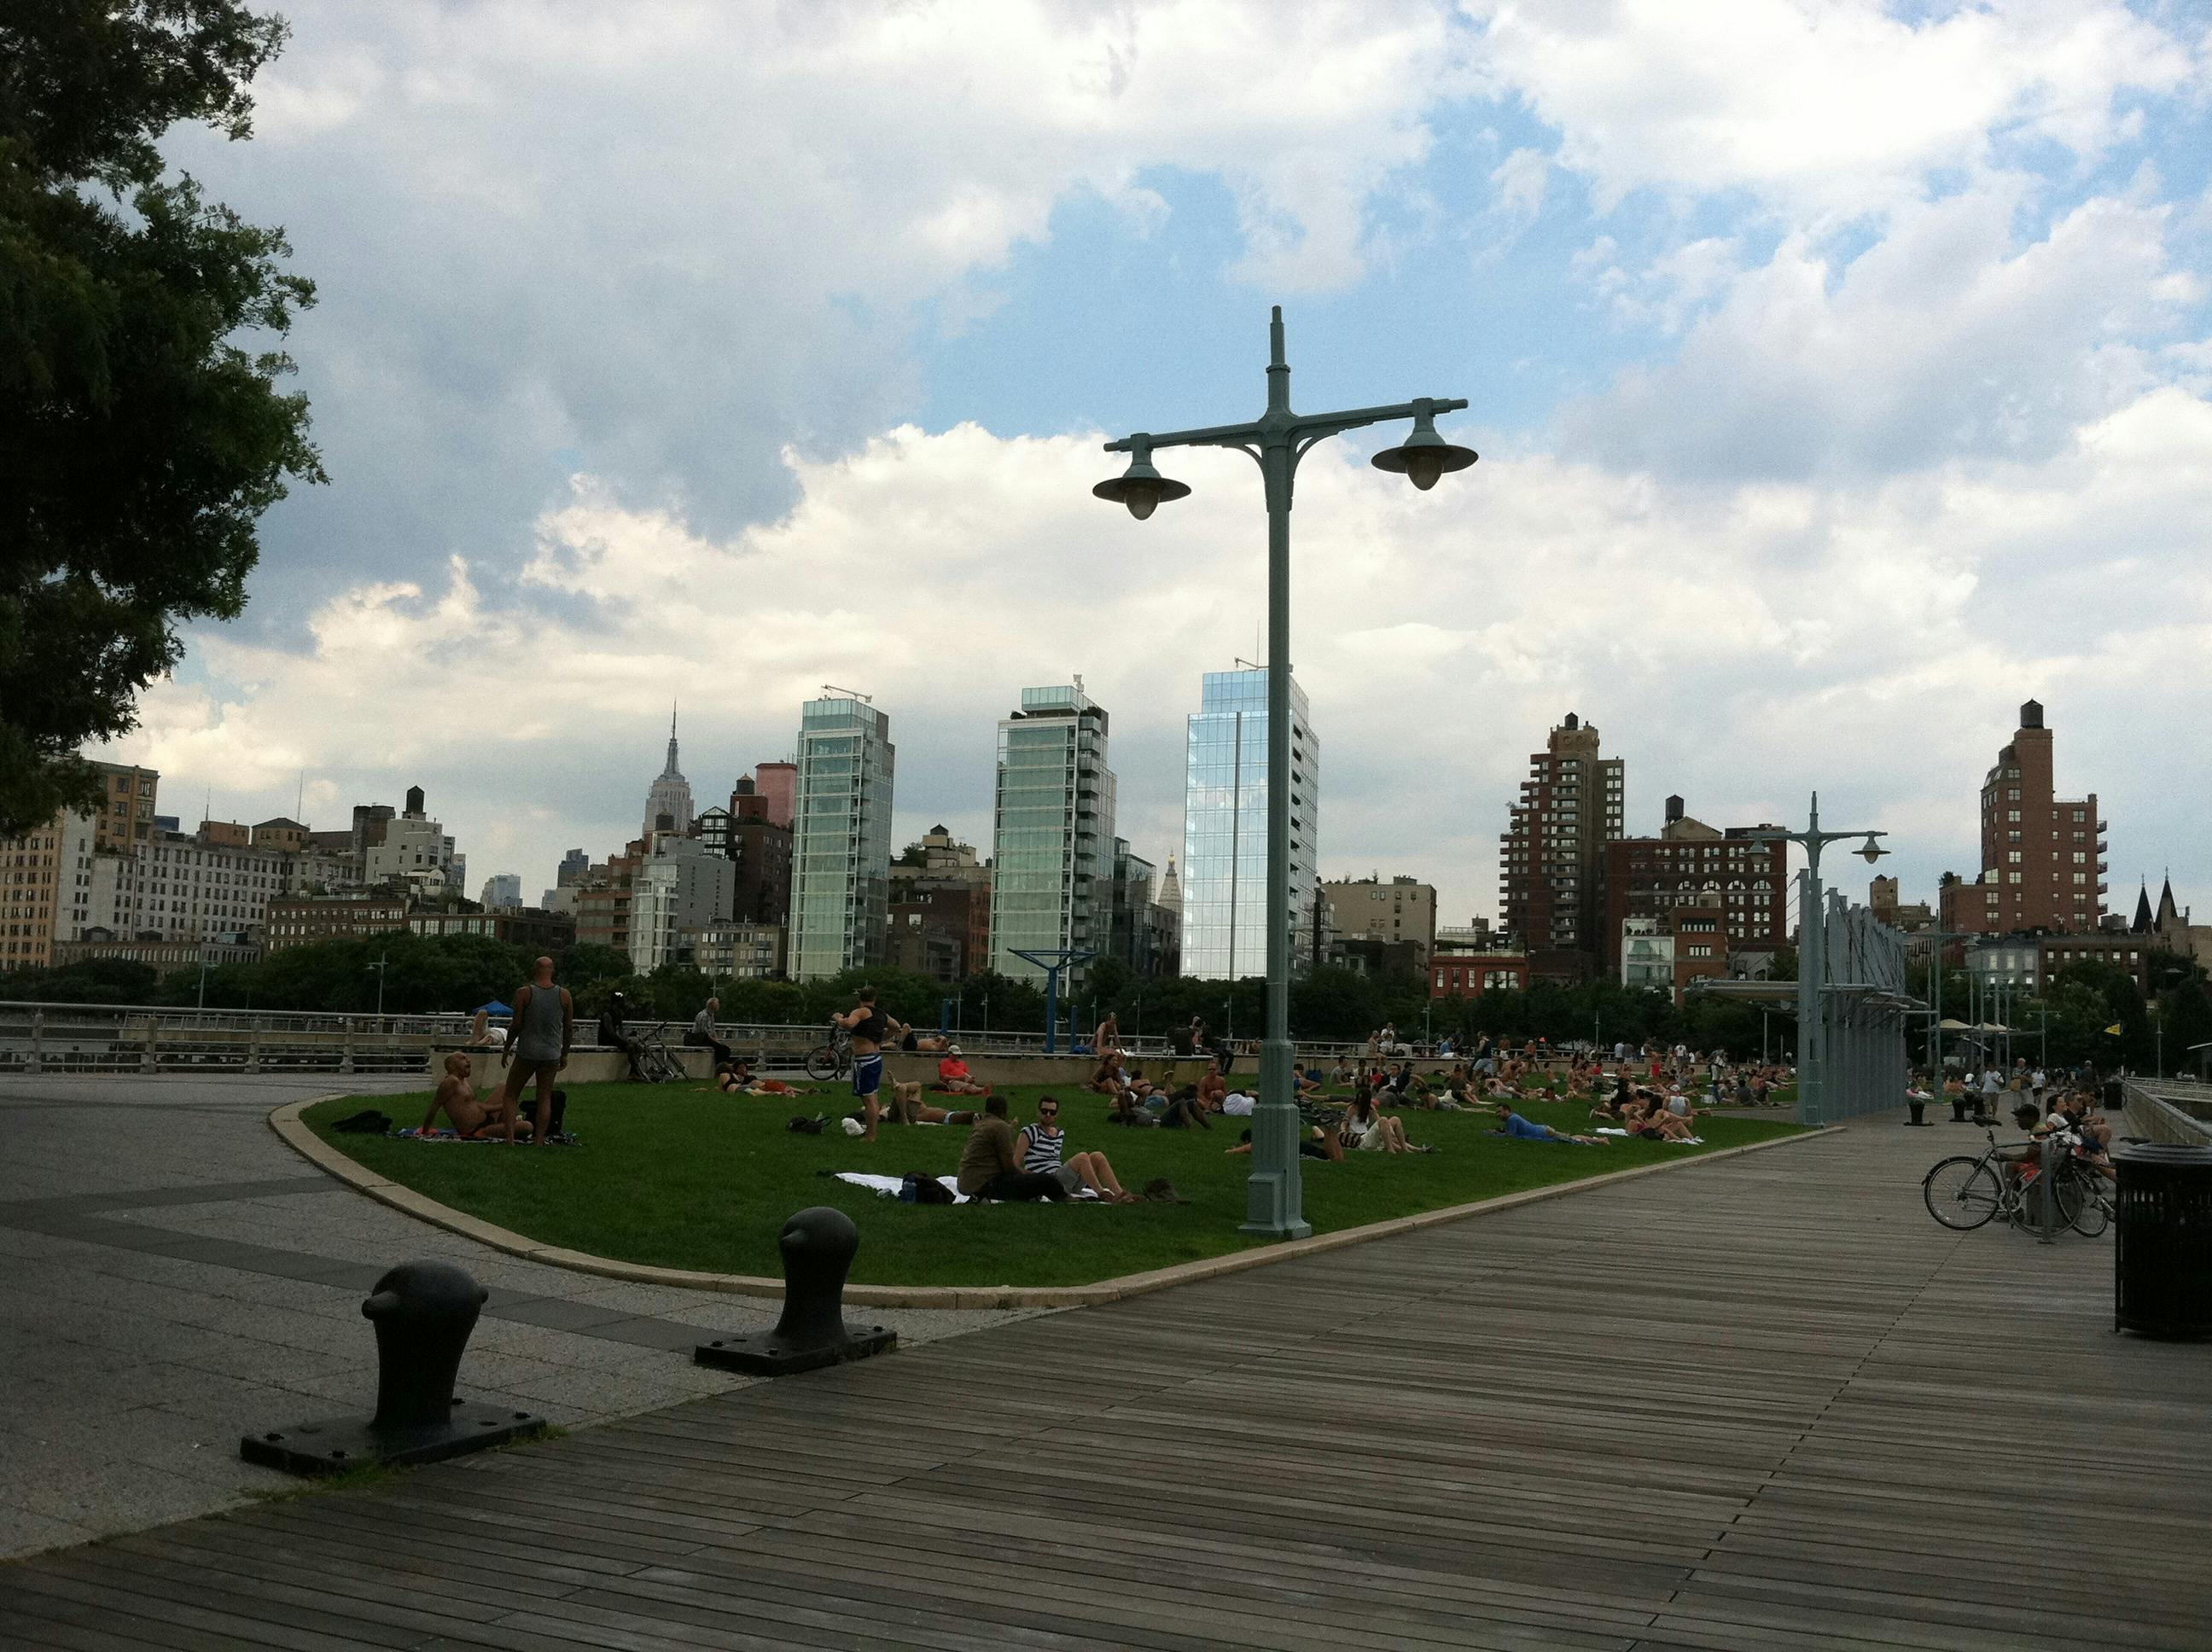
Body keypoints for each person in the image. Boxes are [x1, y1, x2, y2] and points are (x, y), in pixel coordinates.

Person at [498, 956, 573, 1144]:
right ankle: (540, 1139)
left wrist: (507, 1048)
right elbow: (568, 1028)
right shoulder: (564, 995)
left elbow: (516, 1025)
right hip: (551, 1054)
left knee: (511, 1094)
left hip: (527, 1052)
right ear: (553, 971)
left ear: (534, 970)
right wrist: (564, 1053)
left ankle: (510, 1138)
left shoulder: (524, 993)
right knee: (544, 1097)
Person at [1018, 1096, 1134, 1202]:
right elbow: (1015, 1163)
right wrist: (1034, 1177)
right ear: (1038, 1112)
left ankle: (1119, 1194)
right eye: (1044, 1111)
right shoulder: (1030, 1131)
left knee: (1097, 1156)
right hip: (1047, 1181)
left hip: (1061, 1179)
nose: (1048, 1115)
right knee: (1082, 1157)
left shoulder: (1059, 1133)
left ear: (1056, 1115)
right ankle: (1102, 1194)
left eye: (1052, 1112)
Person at [956, 1096, 1069, 1201]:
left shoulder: (981, 1125)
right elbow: (1009, 1167)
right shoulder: (1000, 1127)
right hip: (985, 1184)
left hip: (966, 1182)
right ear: (1004, 1112)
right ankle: (1065, 1199)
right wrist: (1029, 1175)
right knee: (1046, 1180)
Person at [832, 986, 893, 1143]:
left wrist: (838, 1018)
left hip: (864, 1061)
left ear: (860, 998)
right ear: (875, 998)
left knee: (868, 1100)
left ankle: (870, 1136)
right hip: (875, 1058)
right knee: (873, 1098)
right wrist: (881, 1038)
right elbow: (896, 1027)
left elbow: (849, 1024)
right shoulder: (882, 1014)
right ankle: (871, 1132)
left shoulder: (860, 1012)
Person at [422, 1053, 504, 1137]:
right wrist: (425, 1132)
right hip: (476, 1130)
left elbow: (474, 1105)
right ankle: (506, 1124)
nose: (468, 1060)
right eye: (463, 1058)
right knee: (513, 1127)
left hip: (486, 1119)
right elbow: (434, 1107)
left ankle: (505, 1121)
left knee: (503, 1087)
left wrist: (501, 1106)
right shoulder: (451, 1081)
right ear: (452, 1065)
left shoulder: (463, 1080)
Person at [1491, 1104, 1605, 1146]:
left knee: (1571, 1140)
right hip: (1543, 1130)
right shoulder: (1513, 1117)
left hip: (1542, 1133)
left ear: (1507, 1111)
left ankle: (1600, 1141)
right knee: (1569, 1138)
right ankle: (1598, 1140)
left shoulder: (1512, 1119)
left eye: (1500, 1112)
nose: (1498, 1114)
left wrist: (1496, 1134)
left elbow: (1510, 1136)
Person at [597, 992, 647, 1082]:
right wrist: (623, 1041)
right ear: (616, 1002)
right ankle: (637, 1072)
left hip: (615, 1039)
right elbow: (611, 1033)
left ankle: (633, 1072)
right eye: (621, 1001)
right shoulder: (607, 1014)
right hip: (606, 1040)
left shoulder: (619, 1013)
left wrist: (626, 1038)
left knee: (639, 1048)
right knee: (630, 1047)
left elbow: (621, 1030)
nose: (623, 1003)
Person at [685, 998, 733, 1070]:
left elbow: (713, 1030)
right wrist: (716, 1042)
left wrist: (717, 1040)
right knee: (724, 1049)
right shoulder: (704, 1016)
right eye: (717, 1004)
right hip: (699, 1039)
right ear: (711, 1005)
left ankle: (721, 1067)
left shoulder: (711, 1015)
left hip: (706, 1038)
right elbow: (704, 1033)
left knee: (724, 1048)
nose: (719, 1006)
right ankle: (720, 1068)